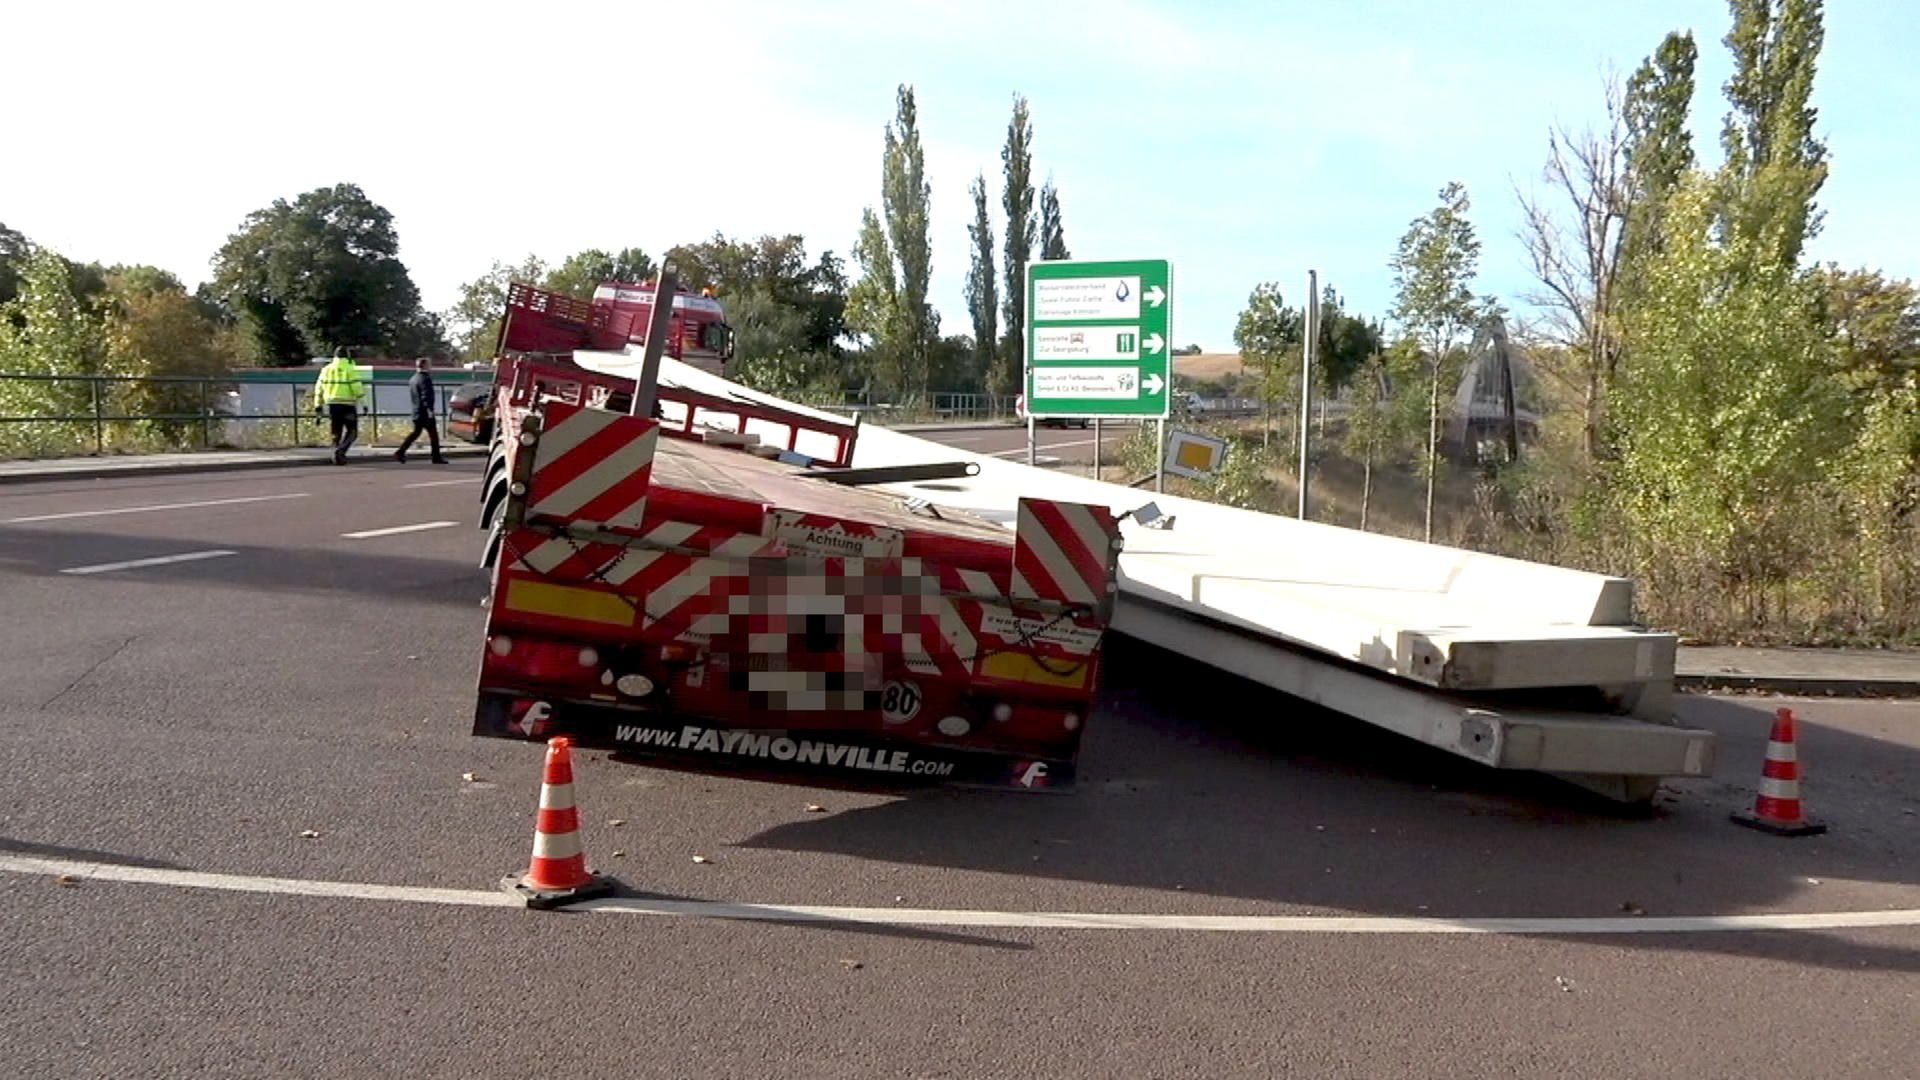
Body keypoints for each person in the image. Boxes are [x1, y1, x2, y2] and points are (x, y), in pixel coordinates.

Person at [312, 348, 368, 465]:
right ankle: (340, 451)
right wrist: (364, 404)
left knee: (336, 431)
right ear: (347, 356)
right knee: (352, 431)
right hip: (347, 405)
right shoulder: (350, 369)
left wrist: (318, 405)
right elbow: (357, 388)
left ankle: (336, 456)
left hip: (332, 404)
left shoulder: (326, 370)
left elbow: (319, 389)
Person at [395, 358, 448, 464]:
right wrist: (430, 410)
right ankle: (436, 457)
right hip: (425, 412)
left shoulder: (413, 378)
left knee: (416, 433)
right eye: (429, 364)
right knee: (433, 435)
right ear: (424, 365)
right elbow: (426, 395)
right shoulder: (425, 379)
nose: (430, 366)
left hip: (416, 410)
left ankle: (401, 452)